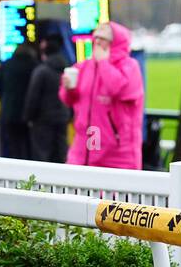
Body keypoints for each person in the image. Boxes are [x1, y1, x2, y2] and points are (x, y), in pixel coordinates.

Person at [59, 20, 144, 169]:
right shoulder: (84, 67)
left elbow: (118, 89)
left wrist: (104, 63)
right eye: (96, 37)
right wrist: (68, 88)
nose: (97, 42)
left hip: (117, 156)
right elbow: (68, 100)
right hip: (81, 153)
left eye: (103, 39)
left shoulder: (130, 67)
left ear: (115, 43)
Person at [23, 32, 71, 163]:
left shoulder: (41, 71)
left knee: (42, 155)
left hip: (42, 119)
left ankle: (44, 183)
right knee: (61, 152)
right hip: (62, 117)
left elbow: (33, 97)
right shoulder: (67, 69)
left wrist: (28, 117)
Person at [0, 38, 38, 158]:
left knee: (11, 146)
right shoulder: (35, 65)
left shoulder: (6, 65)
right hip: (28, 114)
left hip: (8, 111)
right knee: (27, 146)